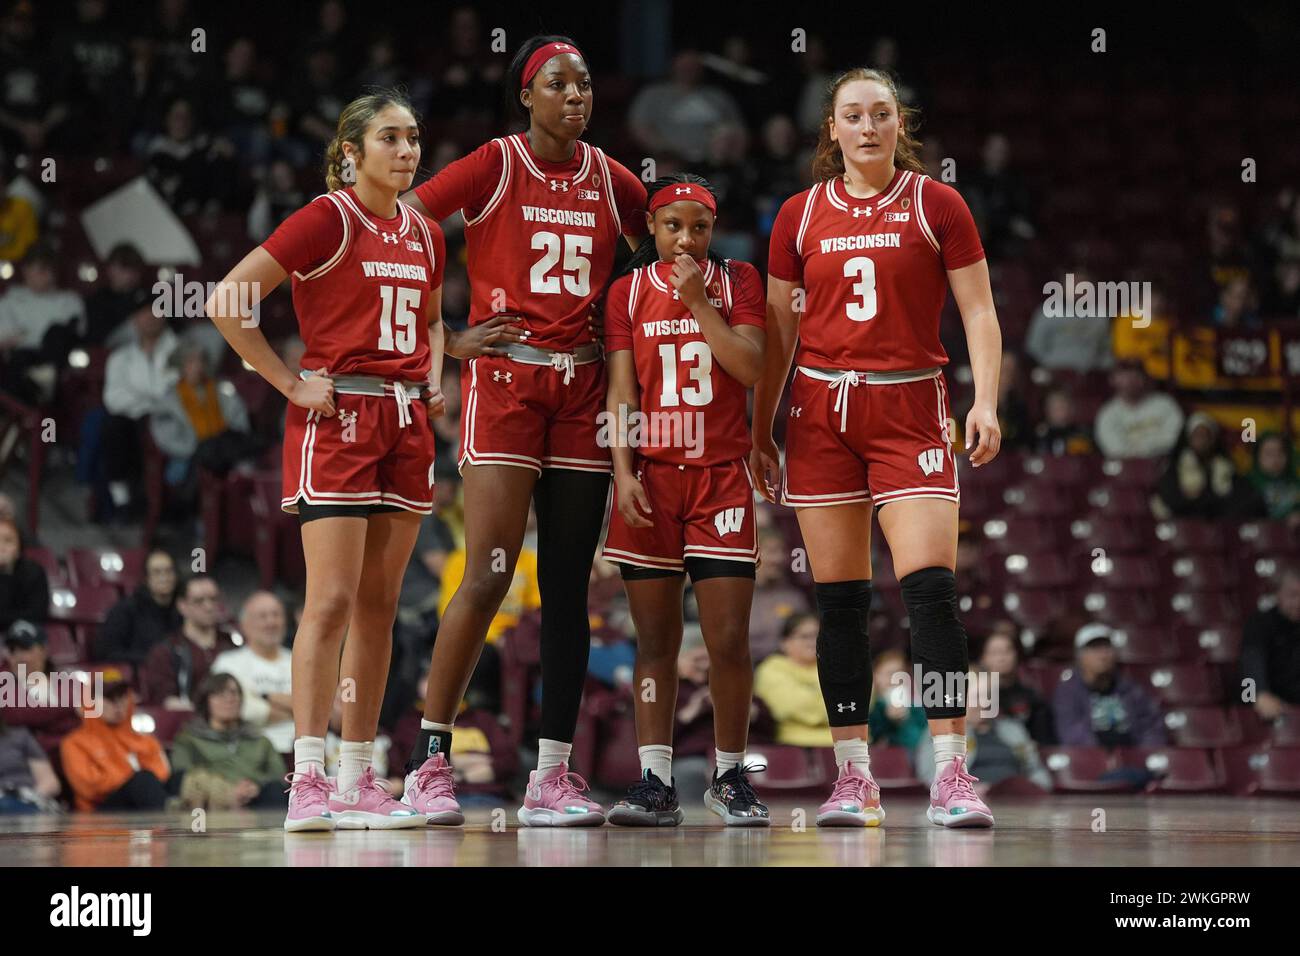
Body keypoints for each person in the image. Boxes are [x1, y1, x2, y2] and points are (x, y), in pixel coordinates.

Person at [399, 35, 647, 827]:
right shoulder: (495, 163)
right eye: (557, 84)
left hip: (579, 390)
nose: (576, 96)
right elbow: (403, 223)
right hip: (505, 384)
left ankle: (552, 775)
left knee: (569, 588)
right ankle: (430, 761)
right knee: (490, 573)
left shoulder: (615, 180)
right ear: (526, 97)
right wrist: (442, 337)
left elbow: (669, 256)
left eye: (583, 84)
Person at [753, 67, 1002, 828]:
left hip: (910, 406)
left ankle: (951, 772)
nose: (867, 127)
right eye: (852, 115)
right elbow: (778, 336)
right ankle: (853, 777)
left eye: (881, 114)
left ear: (901, 124)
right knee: (840, 605)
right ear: (831, 128)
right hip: (822, 412)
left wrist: (985, 400)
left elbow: (980, 313)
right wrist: (764, 428)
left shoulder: (938, 204)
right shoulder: (798, 215)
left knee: (929, 592)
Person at [207, 88, 443, 832]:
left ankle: (356, 777)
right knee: (332, 602)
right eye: (391, 138)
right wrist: (286, 382)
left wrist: (432, 369)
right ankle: (306, 779)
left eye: (413, 138)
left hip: (405, 423)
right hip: (339, 416)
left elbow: (435, 321)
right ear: (352, 152)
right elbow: (228, 299)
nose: (407, 151)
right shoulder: (327, 217)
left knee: (380, 607)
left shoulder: (426, 232)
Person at [600, 175, 768, 827]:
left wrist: (701, 305)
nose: (686, 237)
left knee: (727, 640)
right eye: (673, 225)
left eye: (699, 226)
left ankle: (730, 777)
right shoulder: (626, 292)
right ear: (651, 228)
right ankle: (656, 782)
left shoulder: (740, 282)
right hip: (653, 477)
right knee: (656, 642)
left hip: (721, 476)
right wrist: (623, 471)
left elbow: (750, 367)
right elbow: (621, 390)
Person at [169, 672, 289, 810]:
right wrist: (226, 791)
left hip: (257, 799)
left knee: (275, 790)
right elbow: (182, 776)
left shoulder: (259, 740)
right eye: (220, 694)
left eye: (234, 693)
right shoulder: (189, 739)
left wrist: (255, 786)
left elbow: (279, 775)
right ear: (206, 701)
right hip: (211, 803)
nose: (229, 699)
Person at [61, 680, 170, 812]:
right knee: (143, 781)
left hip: (144, 800)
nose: (118, 704)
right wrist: (131, 778)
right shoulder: (75, 743)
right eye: (109, 698)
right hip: (100, 810)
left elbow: (163, 773)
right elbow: (89, 788)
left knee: (182, 780)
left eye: (122, 697)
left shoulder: (145, 740)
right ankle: (169, 823)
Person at [1052, 624, 1167, 748]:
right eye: (1094, 648)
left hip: (1133, 759)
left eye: (1107, 648)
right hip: (1092, 761)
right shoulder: (1069, 693)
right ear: (1080, 656)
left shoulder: (1131, 689)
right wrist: (1103, 759)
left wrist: (1143, 756)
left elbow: (1151, 728)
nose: (1103, 655)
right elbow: (1071, 734)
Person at [212, 591, 294, 755]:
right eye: (262, 616)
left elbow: (318, 708)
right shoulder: (228, 663)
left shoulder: (300, 661)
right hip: (249, 753)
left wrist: (264, 696)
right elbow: (243, 711)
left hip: (300, 753)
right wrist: (294, 710)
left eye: (276, 615)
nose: (271, 622)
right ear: (244, 624)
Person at [138, 574, 236, 709]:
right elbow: (165, 700)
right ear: (182, 606)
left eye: (213, 599)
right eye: (199, 601)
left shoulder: (230, 643)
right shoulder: (166, 651)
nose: (208, 606)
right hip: (188, 723)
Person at [1, 619, 81, 757]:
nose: (19, 657)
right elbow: (16, 714)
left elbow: (87, 698)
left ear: (44, 650)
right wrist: (69, 706)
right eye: (13, 650)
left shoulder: (62, 679)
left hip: (77, 754)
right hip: (34, 762)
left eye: (26, 649)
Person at [1153, 411, 1255, 519]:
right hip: (1184, 522)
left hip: (1218, 523)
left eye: (1205, 435)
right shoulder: (1175, 466)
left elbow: (1236, 498)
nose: (1201, 440)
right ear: (1189, 438)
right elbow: (1171, 498)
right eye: (1197, 435)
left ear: (1213, 439)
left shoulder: (1226, 466)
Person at [754, 613, 832, 746]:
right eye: (804, 636)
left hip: (848, 745)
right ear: (784, 642)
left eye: (817, 635)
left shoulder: (840, 666)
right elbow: (788, 707)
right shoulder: (772, 669)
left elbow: (860, 704)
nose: (812, 641)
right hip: (793, 746)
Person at [94, 549, 182, 665]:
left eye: (168, 571)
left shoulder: (183, 610)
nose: (164, 577)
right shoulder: (125, 610)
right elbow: (107, 653)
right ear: (146, 579)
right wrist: (150, 660)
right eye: (157, 572)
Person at [1240, 564, 1300, 722]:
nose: (1298, 602)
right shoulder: (1259, 623)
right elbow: (1249, 665)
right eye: (1293, 595)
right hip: (1264, 709)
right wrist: (1257, 694)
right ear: (1278, 594)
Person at [1093, 359, 1183, 460]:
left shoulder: (1165, 404)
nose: (1130, 379)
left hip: (1164, 465)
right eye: (1124, 374)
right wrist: (1146, 450)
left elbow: (1171, 440)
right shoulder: (1107, 413)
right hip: (1125, 471)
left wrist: (1143, 450)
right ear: (1113, 379)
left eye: (1136, 373)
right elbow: (1114, 450)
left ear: (1144, 377)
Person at [977, 630, 1054, 745]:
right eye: (995, 652)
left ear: (1016, 655)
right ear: (984, 659)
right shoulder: (975, 698)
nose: (1002, 658)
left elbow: (1043, 741)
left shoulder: (1032, 697)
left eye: (1007, 651)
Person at [0, 711, 61, 814]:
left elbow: (50, 782)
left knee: (8, 804)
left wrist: (29, 796)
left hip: (27, 798)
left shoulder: (19, 736)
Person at [0, 515, 48, 631]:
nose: (1, 546)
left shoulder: (33, 572)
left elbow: (37, 615)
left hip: (22, 636)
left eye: (8, 540)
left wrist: (6, 573)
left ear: (19, 547)